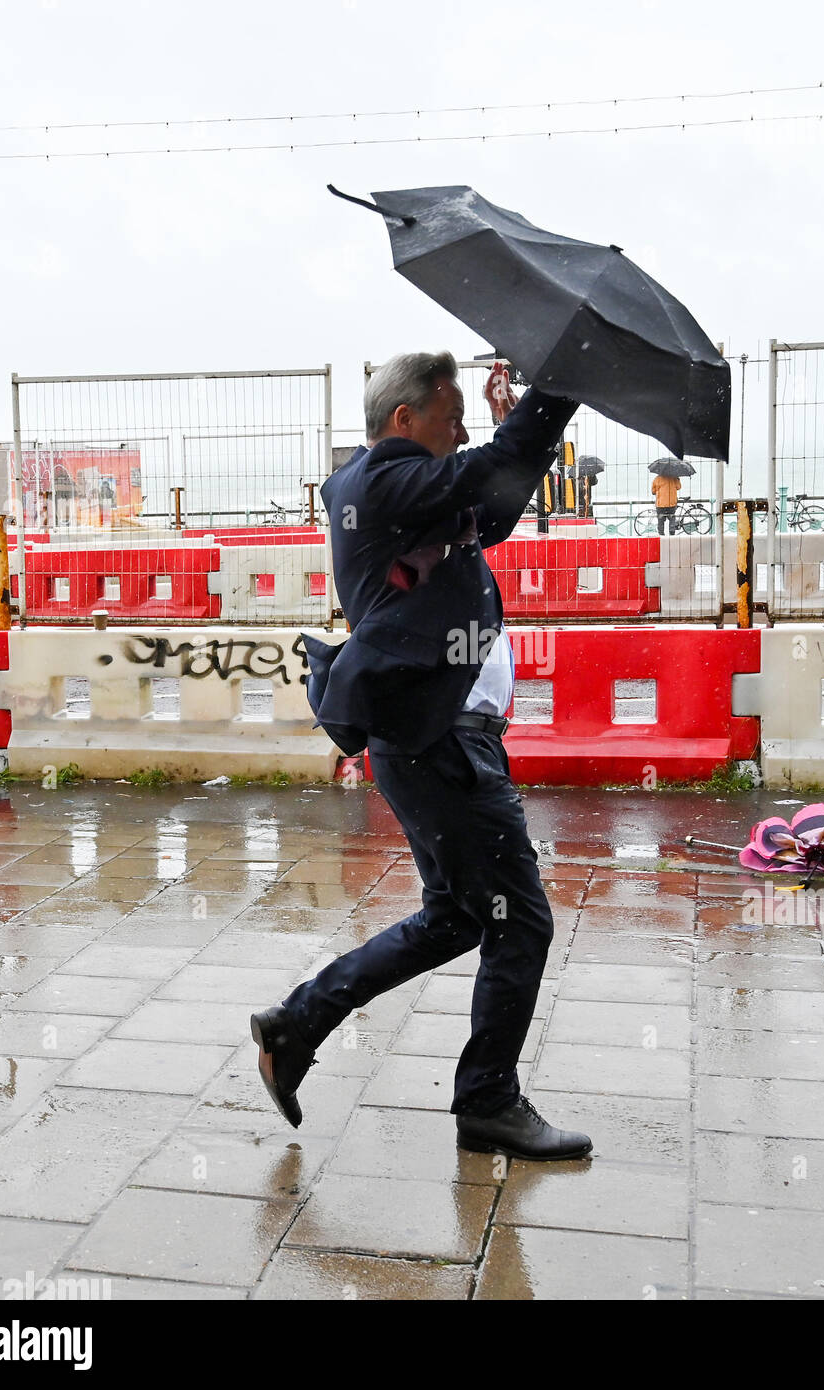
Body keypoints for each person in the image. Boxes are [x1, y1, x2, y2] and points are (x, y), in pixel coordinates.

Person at [251, 352, 593, 1162]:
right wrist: (562, 383)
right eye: (450, 416)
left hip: (442, 737)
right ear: (404, 421)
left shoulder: (411, 496)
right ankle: (488, 1103)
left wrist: (525, 426)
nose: (463, 431)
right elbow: (496, 464)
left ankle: (298, 1022)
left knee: (456, 918)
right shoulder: (377, 483)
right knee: (521, 922)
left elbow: (497, 502)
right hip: (438, 743)